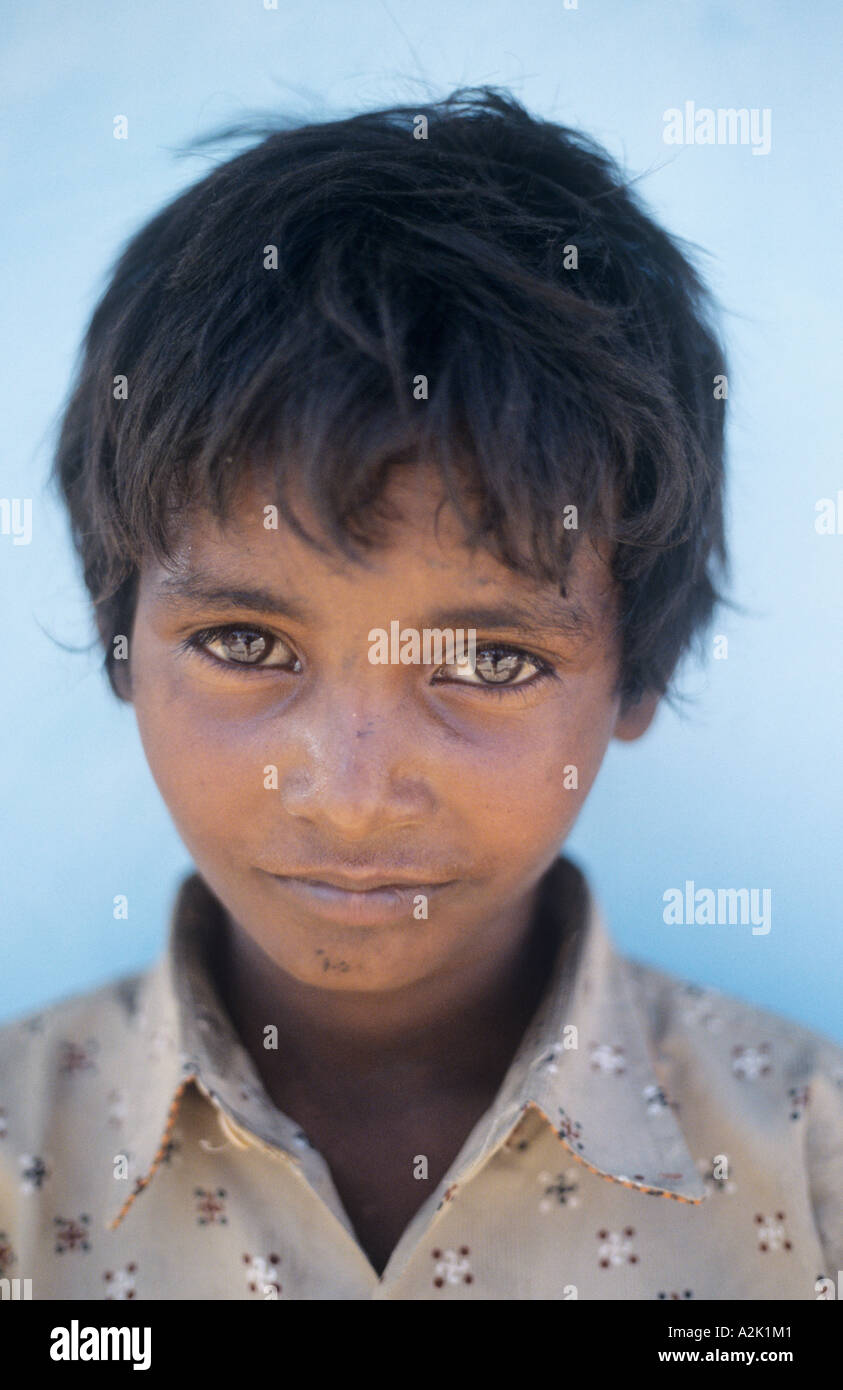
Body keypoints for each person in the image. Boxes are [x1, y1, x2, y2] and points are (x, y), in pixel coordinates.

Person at [1, 87, 840, 1300]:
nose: (349, 795)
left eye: (490, 662)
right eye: (244, 640)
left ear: (638, 673)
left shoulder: (810, 1177)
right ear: (121, 639)